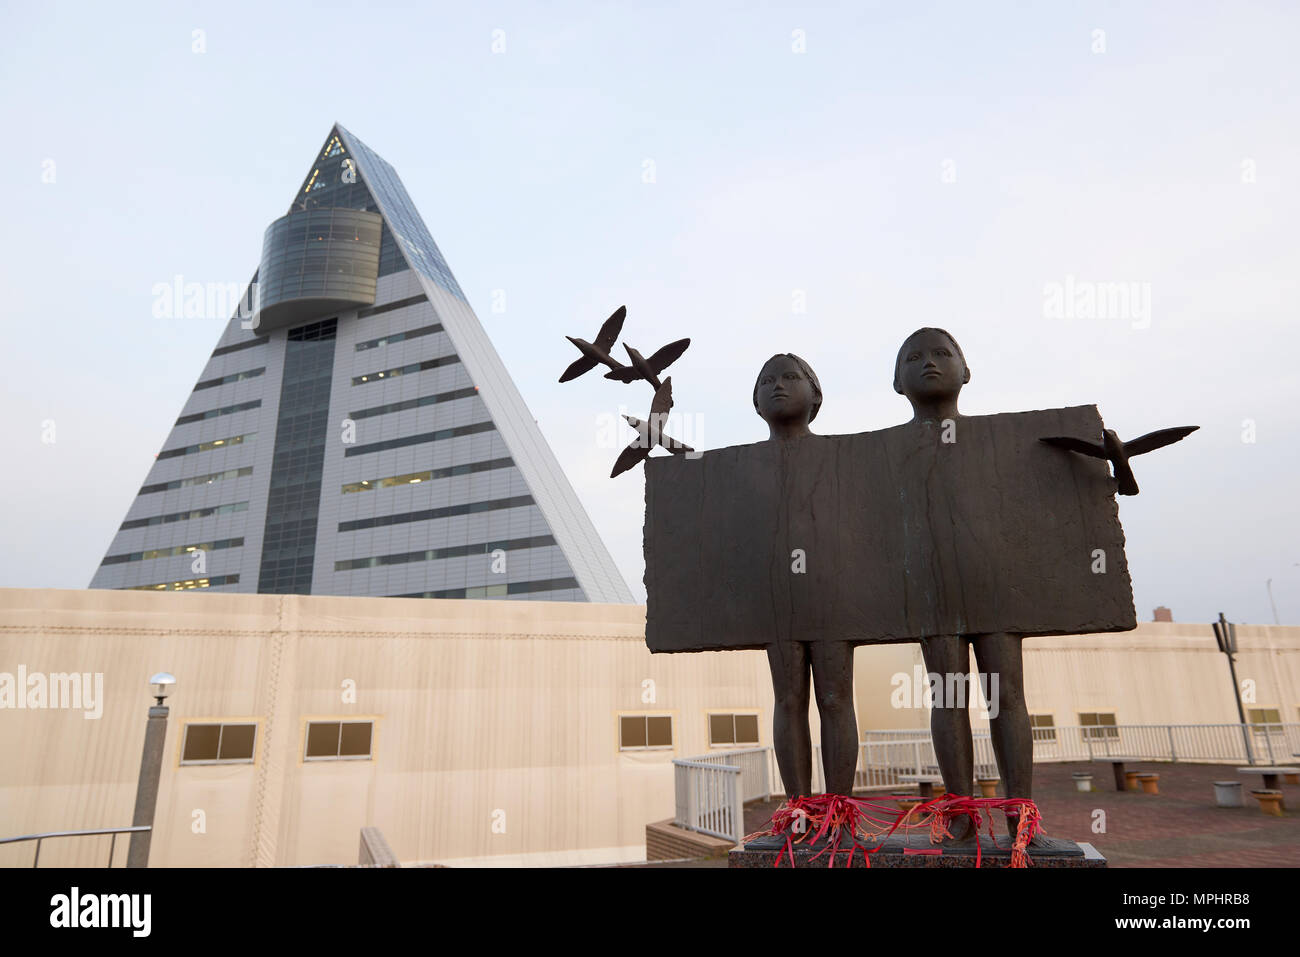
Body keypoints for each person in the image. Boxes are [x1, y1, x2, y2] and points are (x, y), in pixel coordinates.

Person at [894, 327, 1059, 846]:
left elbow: (1047, 492)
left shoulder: (1000, 440)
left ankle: (1020, 819)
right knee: (948, 694)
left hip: (992, 583)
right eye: (914, 357)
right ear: (896, 381)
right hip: (933, 588)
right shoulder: (883, 451)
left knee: (1007, 695)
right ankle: (961, 813)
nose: (929, 363)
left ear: (966, 370)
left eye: (942, 353)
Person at [752, 353, 859, 803]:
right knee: (787, 700)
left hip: (831, 593)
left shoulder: (844, 456)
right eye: (768, 380)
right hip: (780, 598)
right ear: (755, 402)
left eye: (791, 377)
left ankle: (837, 807)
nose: (778, 385)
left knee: (835, 699)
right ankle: (798, 807)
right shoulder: (745, 465)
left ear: (815, 394)